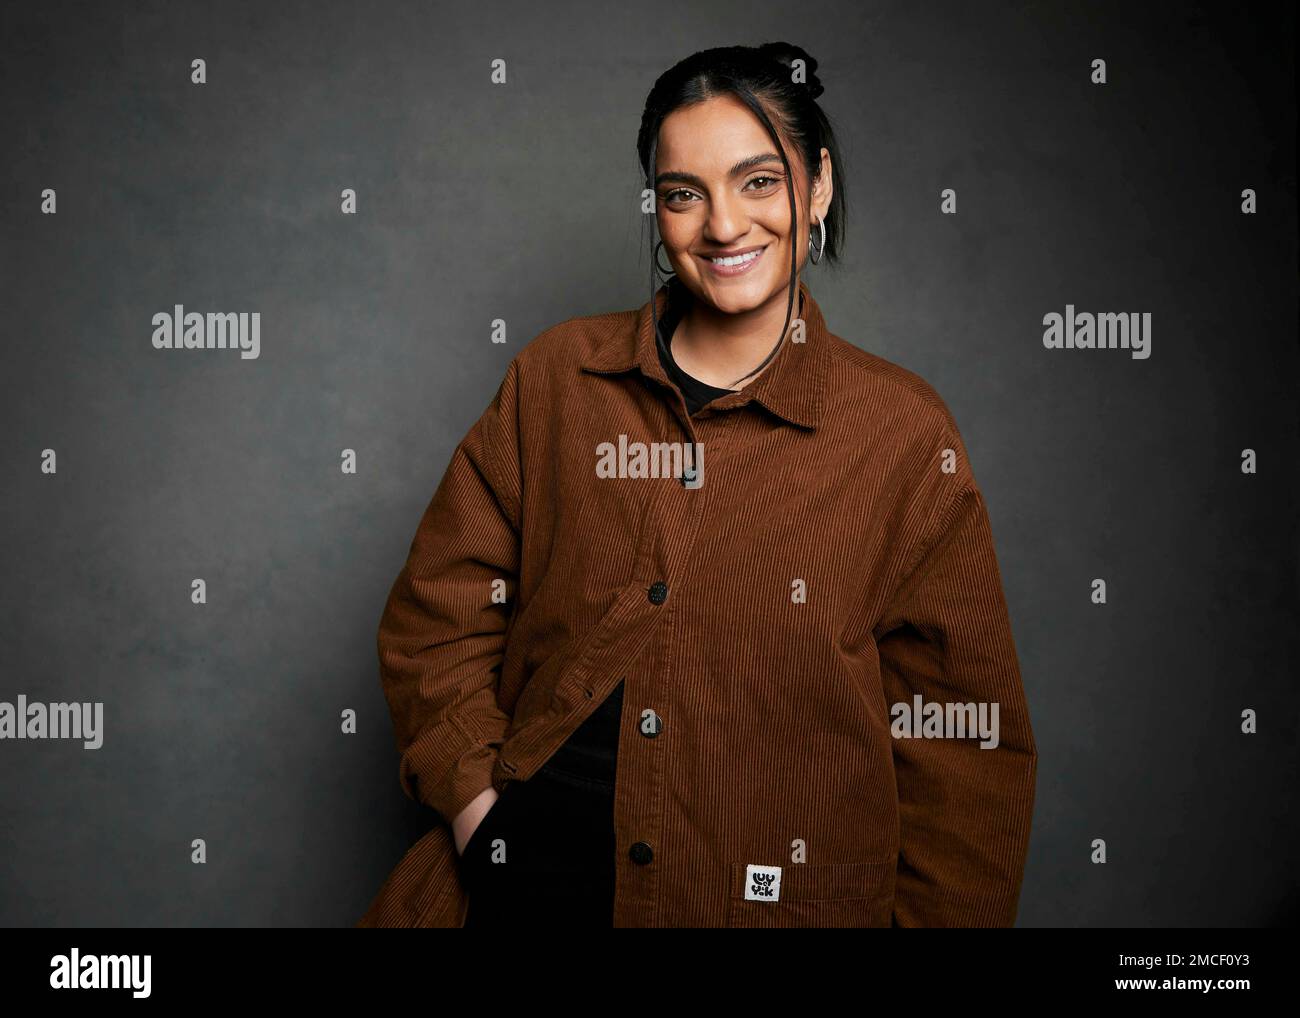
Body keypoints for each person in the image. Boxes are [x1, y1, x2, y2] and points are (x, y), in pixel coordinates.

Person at [360, 42, 1037, 929]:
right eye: (685, 194)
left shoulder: (904, 438)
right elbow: (435, 618)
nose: (723, 225)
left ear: (818, 186)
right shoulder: (558, 381)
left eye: (759, 182)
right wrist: (482, 817)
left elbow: (967, 756)